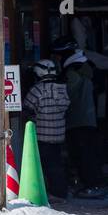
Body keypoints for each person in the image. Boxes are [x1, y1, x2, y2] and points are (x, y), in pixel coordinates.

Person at [54, 36, 105, 198]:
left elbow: (68, 95)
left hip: (78, 118)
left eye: (57, 56)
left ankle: (92, 185)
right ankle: (94, 183)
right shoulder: (86, 66)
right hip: (90, 117)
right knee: (89, 152)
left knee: (83, 154)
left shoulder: (73, 72)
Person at [22, 59, 70, 199]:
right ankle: (61, 190)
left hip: (42, 134)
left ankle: (55, 193)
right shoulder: (62, 88)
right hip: (59, 134)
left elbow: (27, 107)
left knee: (45, 165)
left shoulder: (37, 89)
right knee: (57, 163)